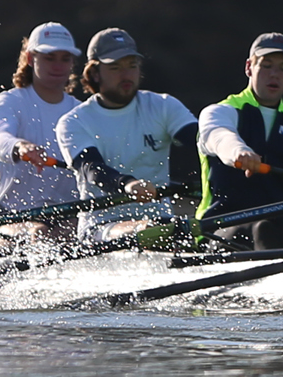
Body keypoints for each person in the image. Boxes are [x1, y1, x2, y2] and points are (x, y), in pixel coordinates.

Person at [54, 28, 199, 243]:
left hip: (161, 221)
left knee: (166, 230)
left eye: (132, 66)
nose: (126, 75)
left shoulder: (163, 106)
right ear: (95, 73)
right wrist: (128, 184)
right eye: (115, 68)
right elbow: (92, 170)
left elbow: (200, 141)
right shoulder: (73, 122)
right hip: (101, 226)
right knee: (151, 230)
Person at [196, 33, 283, 251]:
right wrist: (239, 152)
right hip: (219, 226)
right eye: (266, 65)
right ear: (249, 67)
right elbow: (220, 137)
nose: (274, 74)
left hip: (282, 222)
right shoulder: (220, 112)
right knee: (262, 229)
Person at [0, 22, 83, 239]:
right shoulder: (9, 102)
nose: (58, 66)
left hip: (67, 214)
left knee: (77, 232)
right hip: (11, 216)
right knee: (39, 233)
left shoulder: (81, 112)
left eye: (65, 59)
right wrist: (20, 146)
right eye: (49, 58)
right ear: (30, 59)